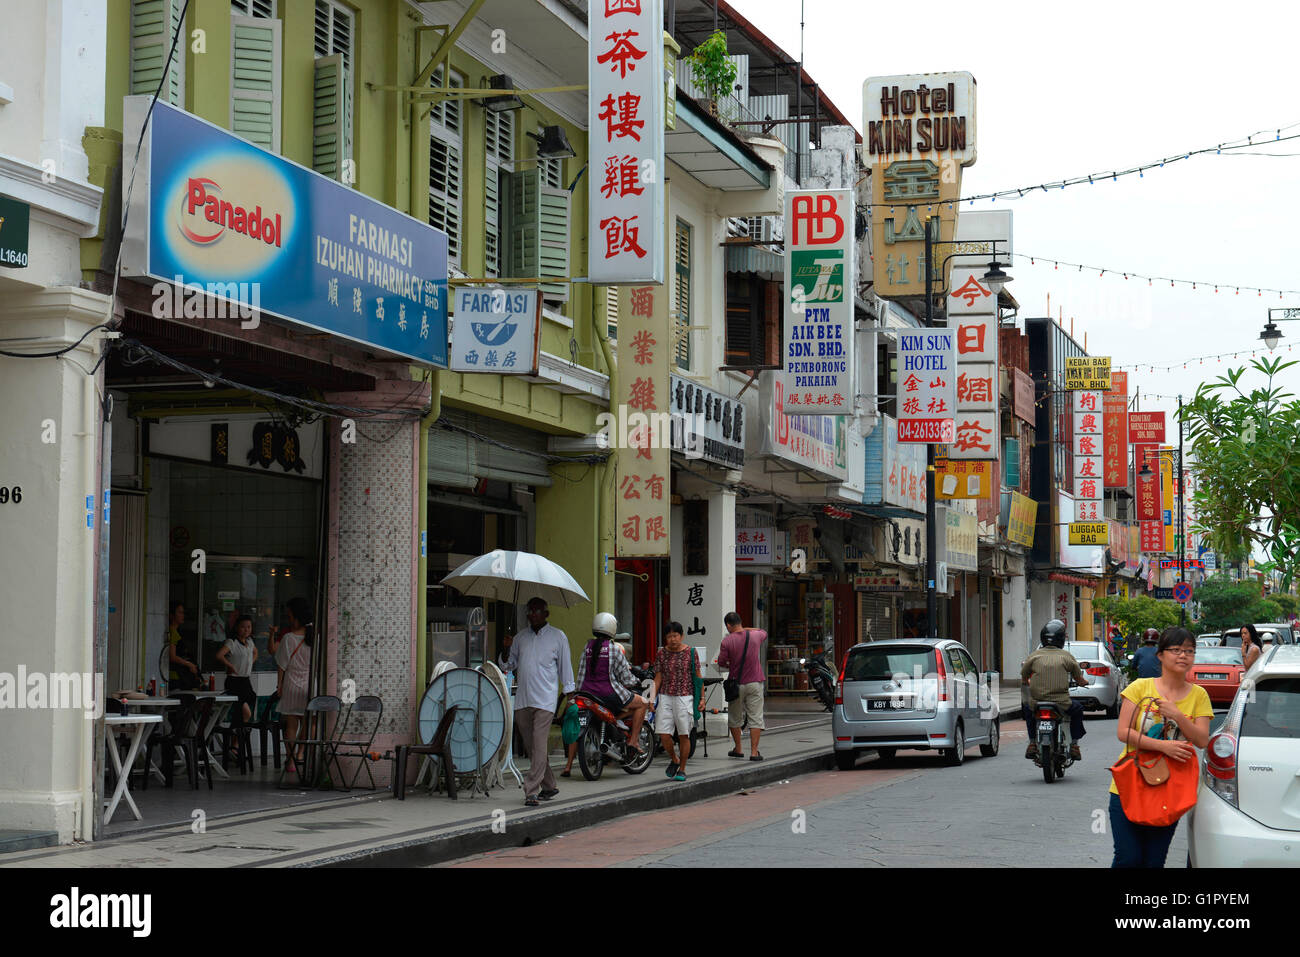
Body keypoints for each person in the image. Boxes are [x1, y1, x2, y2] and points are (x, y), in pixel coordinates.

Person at [1109, 627, 1213, 868]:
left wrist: (1178, 715)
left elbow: (1201, 740)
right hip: (1130, 783)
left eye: (1189, 651)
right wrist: (1163, 746)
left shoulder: (1199, 695)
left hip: (1170, 787)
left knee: (1154, 861)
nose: (1183, 656)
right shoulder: (1140, 688)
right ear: (1160, 655)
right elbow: (1123, 732)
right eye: (1176, 650)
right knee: (1128, 858)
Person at [503, 597, 575, 807]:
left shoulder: (558, 637)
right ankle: (550, 785)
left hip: (545, 699)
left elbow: (565, 667)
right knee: (532, 746)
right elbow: (509, 665)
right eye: (530, 611)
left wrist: (570, 696)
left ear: (546, 614)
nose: (533, 614)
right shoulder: (520, 638)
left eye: (537, 611)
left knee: (539, 743)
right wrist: (506, 647)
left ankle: (531, 790)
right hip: (524, 699)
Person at [576, 612, 648, 757]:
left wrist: (578, 692)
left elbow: (581, 675)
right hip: (608, 693)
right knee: (642, 703)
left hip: (586, 694)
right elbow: (626, 678)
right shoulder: (614, 649)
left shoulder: (587, 647)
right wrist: (637, 681)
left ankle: (617, 725)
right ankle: (633, 741)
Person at [1021, 619, 1089, 762]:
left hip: (1037, 702)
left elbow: (1024, 674)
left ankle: (1032, 742)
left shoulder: (1034, 655)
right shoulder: (1067, 656)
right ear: (1061, 639)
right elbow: (1079, 678)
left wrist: (1026, 681)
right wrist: (1084, 682)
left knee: (1028, 711)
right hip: (1061, 702)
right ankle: (1075, 745)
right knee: (1078, 710)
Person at [653, 621, 700, 782]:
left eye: (675, 635)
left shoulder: (691, 652)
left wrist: (702, 699)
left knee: (683, 734)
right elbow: (658, 677)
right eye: (669, 636)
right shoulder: (661, 654)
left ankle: (682, 768)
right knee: (663, 733)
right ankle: (674, 758)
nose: (672, 639)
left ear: (681, 636)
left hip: (684, 696)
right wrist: (651, 698)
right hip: (665, 695)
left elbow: (697, 677)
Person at [717, 612, 767, 761]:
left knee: (734, 717)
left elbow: (721, 662)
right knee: (756, 717)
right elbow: (762, 631)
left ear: (728, 625)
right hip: (755, 682)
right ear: (740, 622)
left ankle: (738, 748)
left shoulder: (727, 641)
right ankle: (754, 752)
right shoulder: (755, 636)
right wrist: (746, 629)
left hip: (736, 684)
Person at [275, 597, 315, 776]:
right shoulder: (315, 637)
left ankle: (290, 760)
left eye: (290, 616)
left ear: (298, 617)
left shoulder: (288, 638)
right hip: (309, 685)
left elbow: (282, 665)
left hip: (291, 683)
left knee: (291, 724)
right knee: (308, 722)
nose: (289, 620)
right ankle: (301, 753)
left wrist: (279, 685)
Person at [216, 614, 259, 725]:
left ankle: (235, 741)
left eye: (249, 627)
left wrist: (249, 663)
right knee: (245, 713)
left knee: (241, 715)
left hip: (246, 681)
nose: (246, 630)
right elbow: (219, 655)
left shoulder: (250, 642)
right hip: (234, 682)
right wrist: (230, 665)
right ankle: (235, 739)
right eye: (243, 627)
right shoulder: (232, 642)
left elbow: (255, 653)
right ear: (237, 628)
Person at [166, 601, 200, 689]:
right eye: (179, 612)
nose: (182, 615)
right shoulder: (172, 632)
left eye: (183, 613)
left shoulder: (178, 632)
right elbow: (172, 656)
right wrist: (189, 664)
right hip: (177, 676)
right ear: (171, 615)